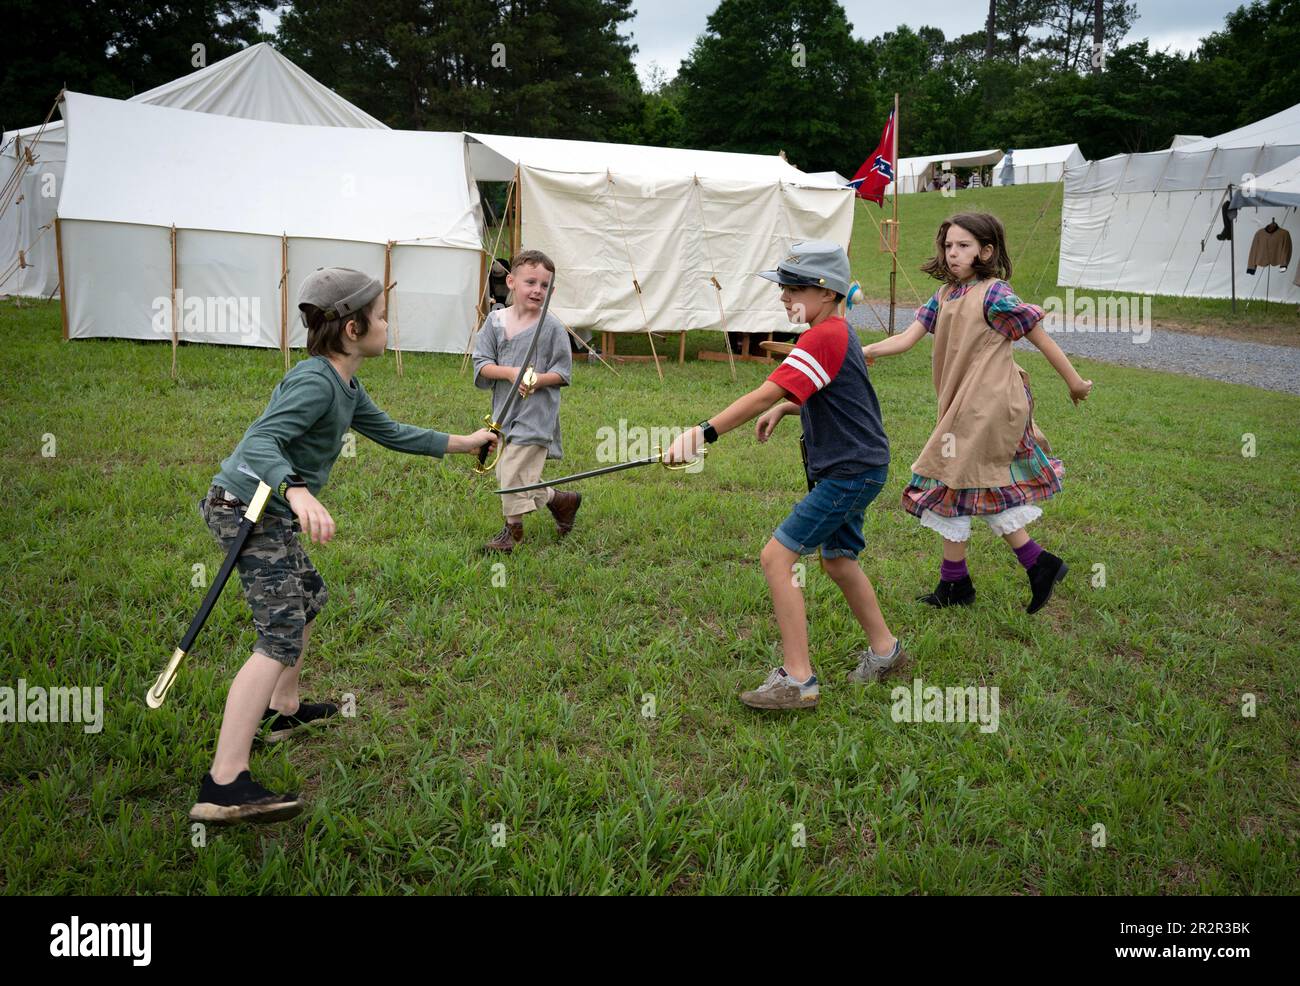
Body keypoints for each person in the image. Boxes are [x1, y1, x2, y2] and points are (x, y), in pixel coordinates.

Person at [189, 267, 497, 824]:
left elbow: (393, 431)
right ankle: (223, 782)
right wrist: (297, 489)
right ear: (354, 328)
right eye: (381, 317)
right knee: (278, 634)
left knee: (308, 598)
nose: (386, 325)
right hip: (245, 509)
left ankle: (284, 709)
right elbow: (261, 440)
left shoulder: (345, 384)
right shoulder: (313, 381)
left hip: (270, 509)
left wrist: (466, 443)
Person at [663, 241, 903, 710]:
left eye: (793, 289)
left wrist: (700, 434)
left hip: (849, 472)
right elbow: (838, 391)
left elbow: (759, 394)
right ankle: (885, 649)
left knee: (777, 557)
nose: (784, 297)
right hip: (861, 464)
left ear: (828, 293)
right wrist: (791, 407)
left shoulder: (823, 337)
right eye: (784, 288)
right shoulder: (835, 331)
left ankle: (799, 681)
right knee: (837, 561)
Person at [863, 213, 1093, 613]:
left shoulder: (994, 294)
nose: (953, 253)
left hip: (989, 403)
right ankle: (1010, 571)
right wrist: (863, 351)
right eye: (949, 245)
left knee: (950, 477)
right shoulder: (944, 296)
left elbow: (1038, 337)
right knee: (967, 482)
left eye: (964, 246)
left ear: (986, 251)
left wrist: (1075, 382)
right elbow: (906, 338)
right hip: (960, 402)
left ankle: (993, 575)